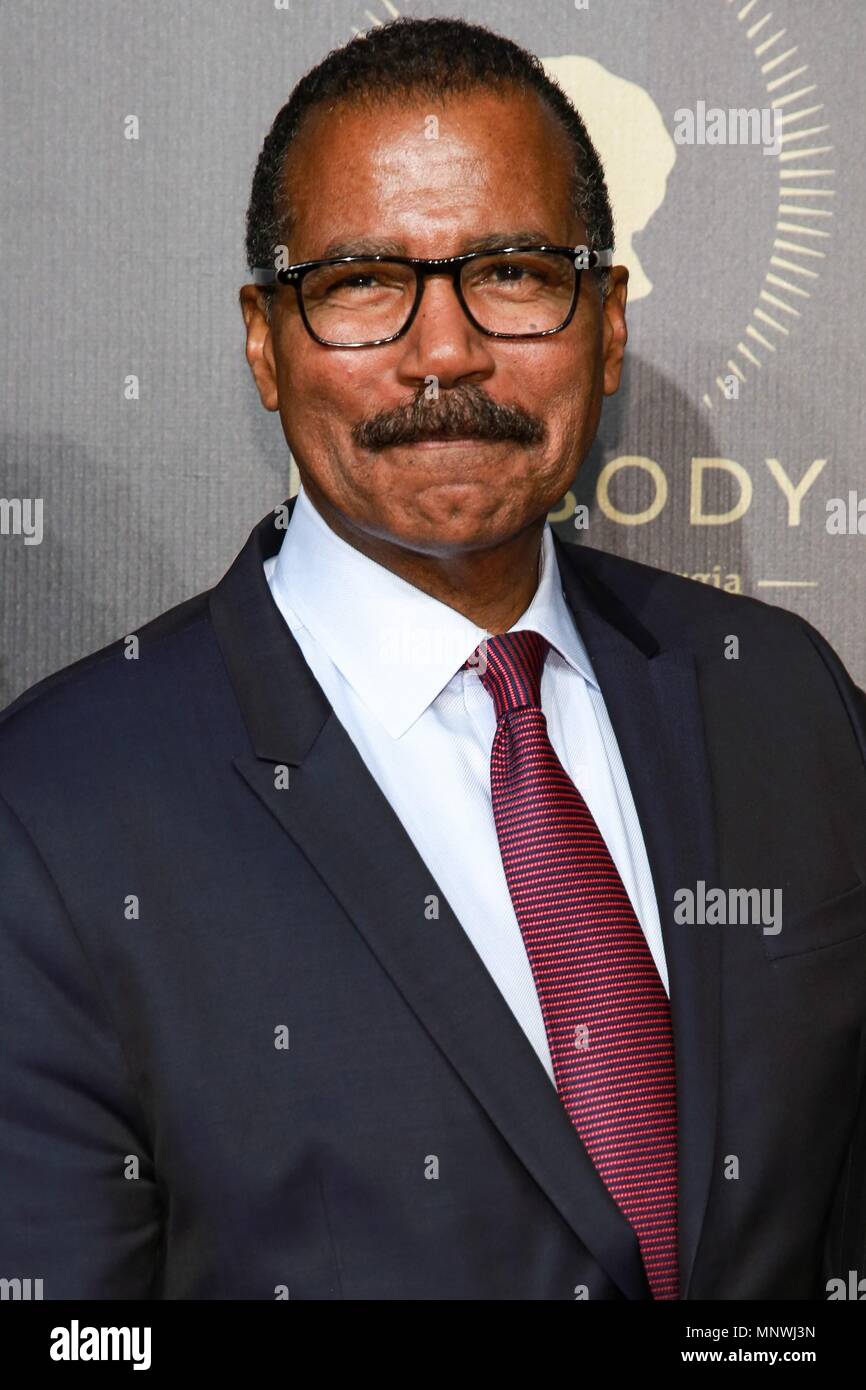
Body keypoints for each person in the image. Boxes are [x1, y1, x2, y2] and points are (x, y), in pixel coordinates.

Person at [1, 15, 865, 1301]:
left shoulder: (783, 697)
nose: (445, 350)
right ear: (264, 341)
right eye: (360, 281)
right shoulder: (57, 807)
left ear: (606, 320)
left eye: (512, 272)